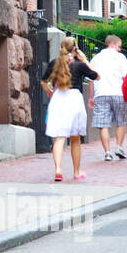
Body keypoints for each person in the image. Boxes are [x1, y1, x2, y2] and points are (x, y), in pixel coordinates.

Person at [40, 37, 98, 182]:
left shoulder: (55, 62)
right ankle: (76, 172)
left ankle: (58, 170)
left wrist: (49, 91)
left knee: (59, 137)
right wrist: (84, 60)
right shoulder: (79, 65)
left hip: (58, 98)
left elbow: (43, 81)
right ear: (75, 48)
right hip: (74, 99)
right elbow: (96, 76)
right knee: (75, 138)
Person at [88, 35, 127, 161]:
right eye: (119, 46)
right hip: (118, 93)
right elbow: (126, 78)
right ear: (112, 44)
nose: (119, 49)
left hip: (101, 94)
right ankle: (119, 147)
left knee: (103, 125)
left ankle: (107, 152)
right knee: (120, 121)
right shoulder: (120, 57)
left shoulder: (96, 58)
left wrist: (91, 97)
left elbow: (91, 80)